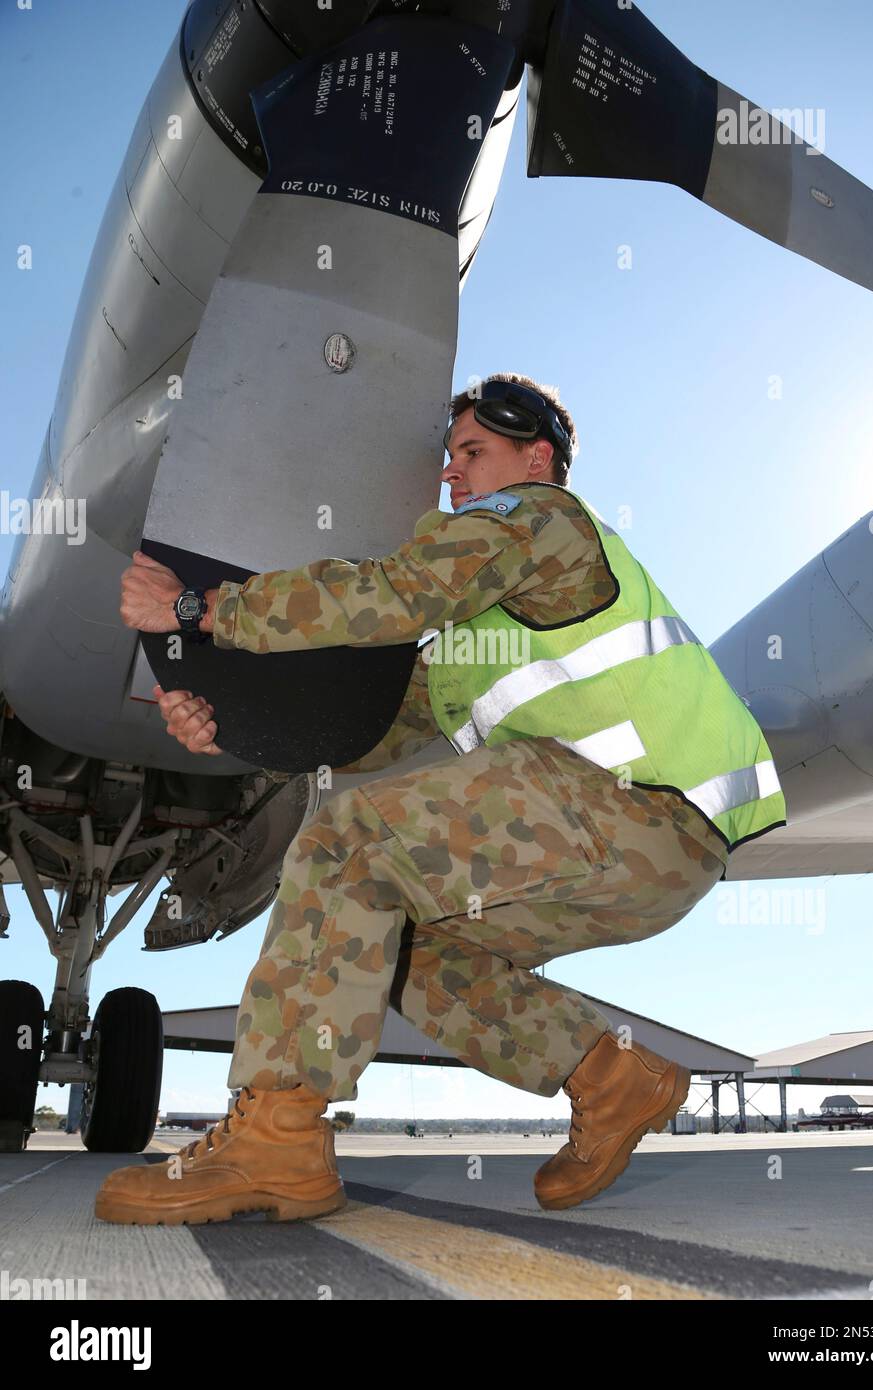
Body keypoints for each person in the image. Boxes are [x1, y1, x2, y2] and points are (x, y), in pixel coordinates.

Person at [98, 372, 786, 1225]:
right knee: (407, 952)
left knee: (347, 844)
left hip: (630, 805)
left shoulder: (538, 519)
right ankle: (611, 1079)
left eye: (473, 451)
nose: (452, 472)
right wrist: (226, 725)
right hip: (647, 858)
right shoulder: (467, 638)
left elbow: (388, 592)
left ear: (536, 458)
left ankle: (277, 1140)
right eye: (450, 456)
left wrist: (194, 607)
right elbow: (361, 738)